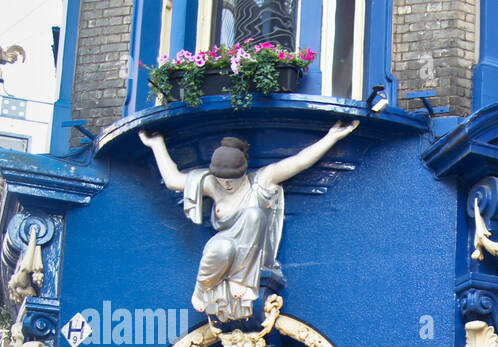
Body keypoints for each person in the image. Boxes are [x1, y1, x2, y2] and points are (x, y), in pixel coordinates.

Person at [139, 121, 359, 322]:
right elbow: (173, 180)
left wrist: (332, 137)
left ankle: (242, 279)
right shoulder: (211, 185)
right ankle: (202, 289)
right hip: (223, 247)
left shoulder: (261, 181)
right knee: (221, 248)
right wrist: (156, 144)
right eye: (221, 179)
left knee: (254, 214)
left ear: (244, 171)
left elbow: (298, 162)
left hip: (251, 253)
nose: (226, 185)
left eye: (232, 179)